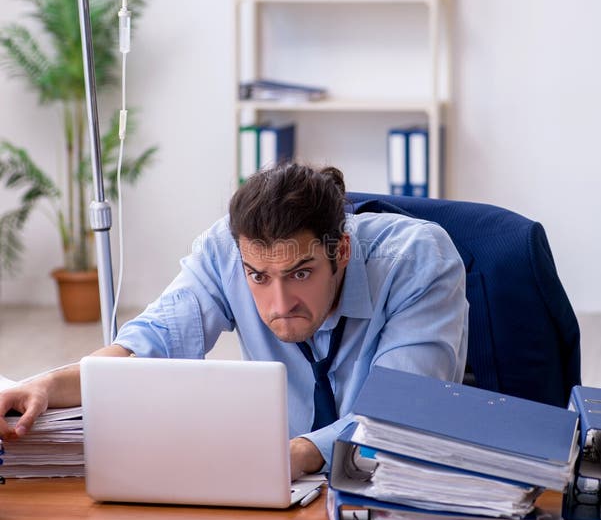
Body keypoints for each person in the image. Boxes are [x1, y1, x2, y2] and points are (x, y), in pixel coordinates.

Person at [0, 163, 468, 478]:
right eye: (258, 277)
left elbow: (402, 413)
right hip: (286, 487)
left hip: (399, 485)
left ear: (340, 251)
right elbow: (152, 341)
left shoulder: (416, 259)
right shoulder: (226, 250)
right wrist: (46, 384)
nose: (279, 303)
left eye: (300, 273)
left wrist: (295, 456)